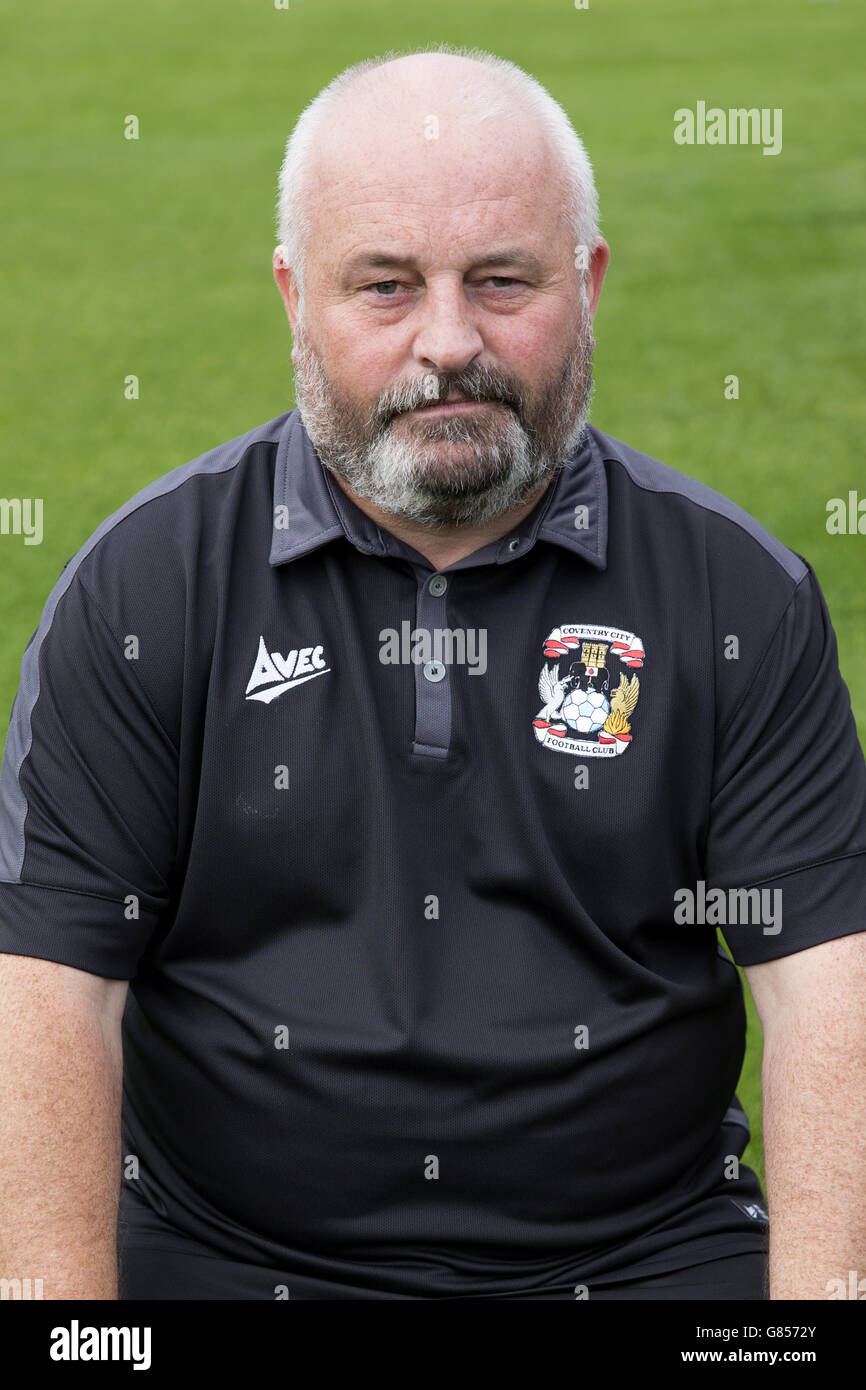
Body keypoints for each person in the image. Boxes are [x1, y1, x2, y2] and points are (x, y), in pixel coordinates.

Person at [1, 46, 864, 1302]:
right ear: (295, 296)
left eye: (502, 280)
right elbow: (48, 994)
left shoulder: (736, 594)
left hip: (642, 1257)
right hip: (228, 1256)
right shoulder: (144, 589)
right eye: (386, 287)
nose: (448, 342)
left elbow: (823, 989)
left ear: (587, 283)